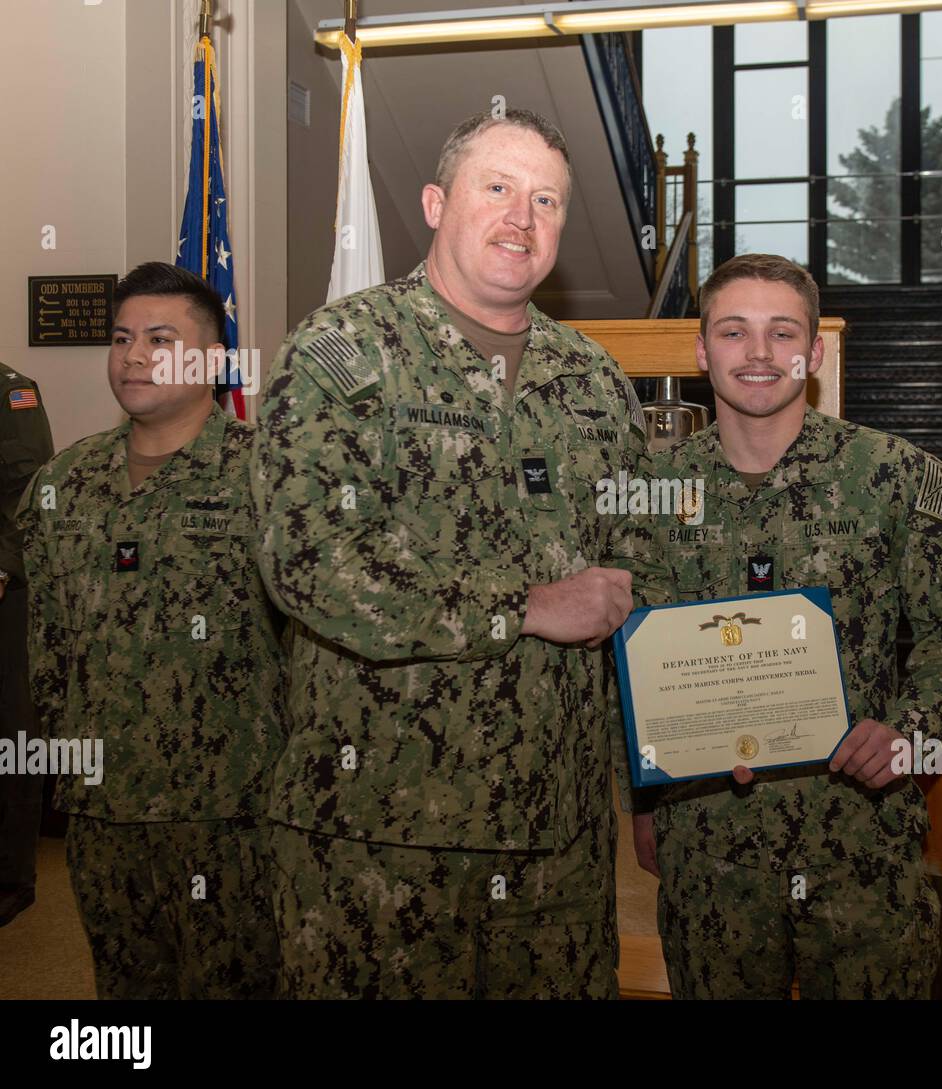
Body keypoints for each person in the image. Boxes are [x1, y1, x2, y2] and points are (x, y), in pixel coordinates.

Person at [251, 107, 664, 999]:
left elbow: (635, 571)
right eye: (498, 188)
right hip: (380, 834)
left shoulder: (594, 380)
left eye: (546, 199)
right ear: (437, 203)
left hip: (558, 841)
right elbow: (309, 562)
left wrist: (669, 762)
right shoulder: (341, 356)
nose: (522, 217)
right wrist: (521, 608)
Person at [633, 253, 942, 999]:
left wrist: (908, 725)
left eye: (782, 332)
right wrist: (641, 797)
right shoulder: (651, 492)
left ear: (815, 352)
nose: (761, 353)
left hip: (859, 843)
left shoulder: (897, 476)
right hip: (709, 847)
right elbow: (632, 652)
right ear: (703, 351)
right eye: (735, 332)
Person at [18, 262, 284, 998]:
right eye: (121, 337)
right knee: (127, 995)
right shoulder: (63, 485)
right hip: (104, 814)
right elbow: (48, 648)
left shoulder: (270, 478)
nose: (133, 356)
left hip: (235, 815)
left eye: (160, 339)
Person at [0, 366, 55, 928]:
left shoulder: (11, 390)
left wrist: (3, 565)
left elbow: (30, 487)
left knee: (12, 730)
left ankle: (12, 877)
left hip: (4, 591)